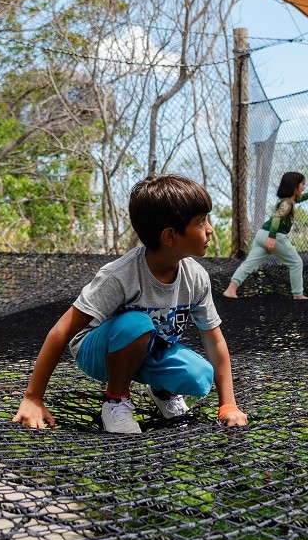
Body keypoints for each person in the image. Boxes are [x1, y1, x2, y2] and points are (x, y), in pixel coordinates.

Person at [13, 174, 248, 434]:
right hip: (98, 351)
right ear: (170, 236)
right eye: (201, 221)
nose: (210, 229)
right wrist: (33, 397)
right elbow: (62, 331)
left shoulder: (196, 277)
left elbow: (214, 340)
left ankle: (162, 391)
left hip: (148, 350)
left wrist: (228, 404)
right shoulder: (121, 275)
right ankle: (115, 401)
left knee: (199, 375)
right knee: (136, 324)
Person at [223, 171, 308, 300]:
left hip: (261, 235)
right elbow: (276, 217)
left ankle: (231, 289)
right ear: (295, 187)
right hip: (275, 235)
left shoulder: (289, 200)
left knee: (249, 264)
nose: (304, 187)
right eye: (303, 184)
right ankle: (298, 295)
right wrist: (272, 237)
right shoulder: (287, 203)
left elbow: (301, 198)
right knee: (296, 263)